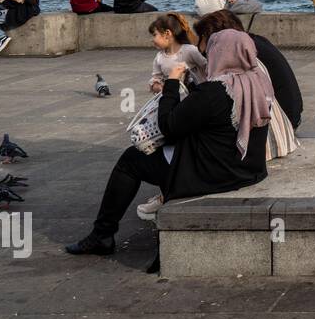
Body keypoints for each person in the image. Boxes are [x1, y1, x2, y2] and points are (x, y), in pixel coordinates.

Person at [65, 28, 273, 269]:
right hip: (249, 167)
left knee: (131, 160)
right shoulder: (259, 80)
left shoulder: (216, 91)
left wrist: (172, 84)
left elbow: (169, 126)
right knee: (169, 153)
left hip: (215, 172)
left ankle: (102, 234)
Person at [195, 10, 303, 129]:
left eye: (201, 37)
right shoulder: (253, 43)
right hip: (292, 115)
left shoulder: (240, 54)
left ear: (208, 35)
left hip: (281, 122)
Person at [149, 12, 207, 93]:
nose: (152, 39)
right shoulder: (159, 57)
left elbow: (207, 68)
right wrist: (157, 86)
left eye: (154, 35)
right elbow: (156, 77)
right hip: (172, 98)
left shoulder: (189, 50)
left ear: (167, 33)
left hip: (194, 96)